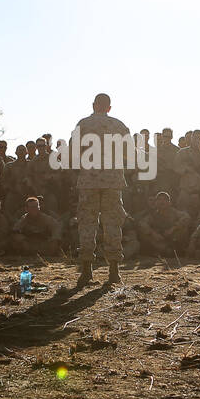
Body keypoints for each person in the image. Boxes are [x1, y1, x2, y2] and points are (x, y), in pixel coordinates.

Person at [73, 93, 131, 286]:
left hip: (89, 181)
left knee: (87, 223)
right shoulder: (119, 125)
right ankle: (114, 272)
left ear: (93, 105)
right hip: (112, 181)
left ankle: (87, 271)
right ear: (109, 107)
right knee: (112, 223)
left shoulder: (83, 124)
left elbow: (73, 152)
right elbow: (128, 153)